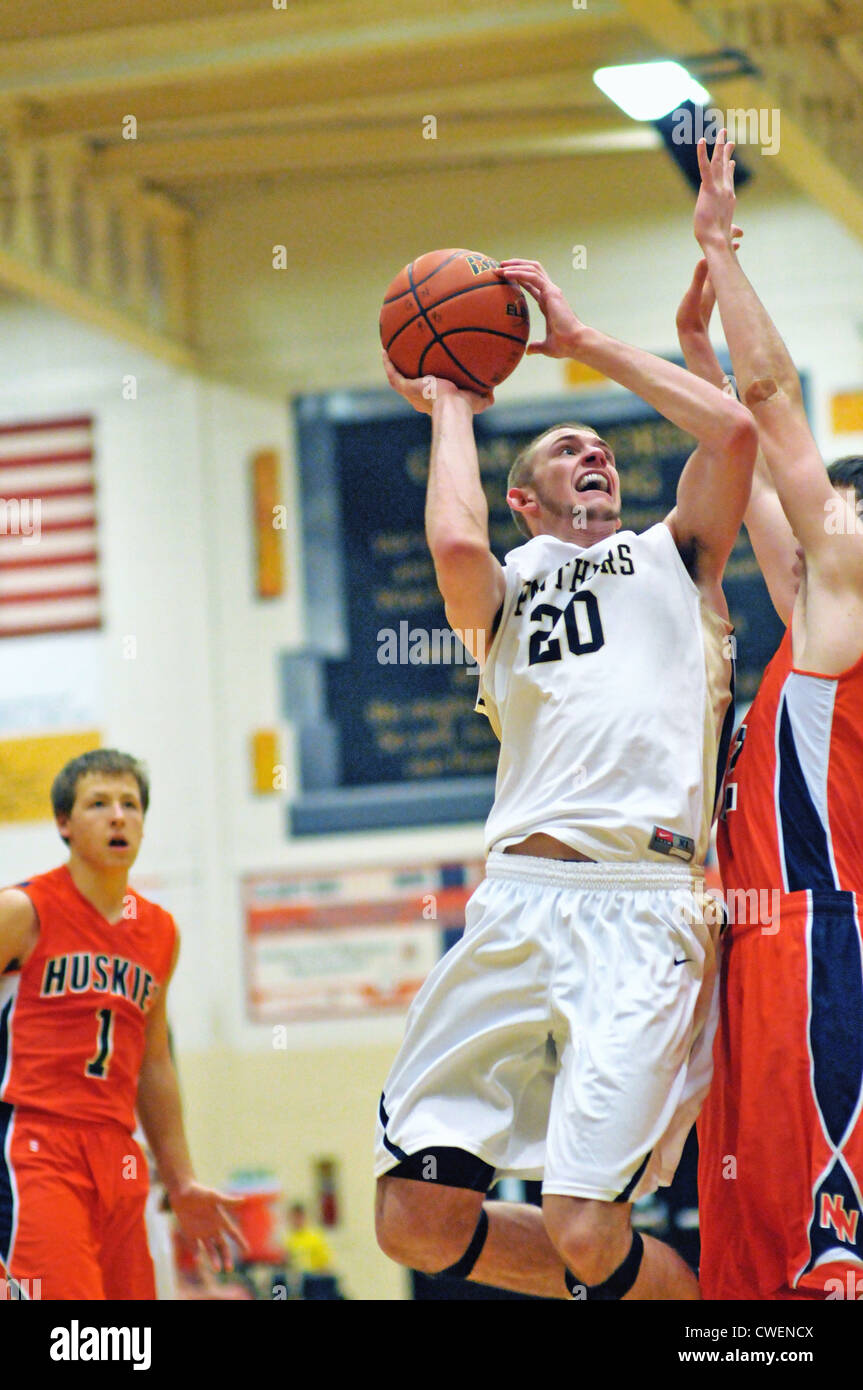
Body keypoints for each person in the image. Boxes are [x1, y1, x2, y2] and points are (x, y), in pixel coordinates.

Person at [373, 254, 758, 1300]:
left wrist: (579, 343)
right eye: (563, 446)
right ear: (525, 497)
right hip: (513, 904)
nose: (591, 450)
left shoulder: (672, 555)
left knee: (585, 1223)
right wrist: (451, 402)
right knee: (412, 1219)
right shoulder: (502, 593)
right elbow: (453, 535)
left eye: (599, 447)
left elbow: (730, 434)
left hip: (639, 904)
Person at [681, 132, 863, 1300]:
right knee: (743, 1286)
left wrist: (719, 253)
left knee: (819, 1273)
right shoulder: (810, 618)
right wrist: (692, 342)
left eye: (839, 496)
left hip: (817, 944)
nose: (816, 503)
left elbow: (774, 403)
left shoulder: (844, 597)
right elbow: (745, 460)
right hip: (753, 954)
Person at [0, 748, 243, 1300]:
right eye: (98, 804)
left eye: (131, 805)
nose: (118, 817)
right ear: (63, 823)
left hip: (120, 1156)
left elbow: (154, 1062)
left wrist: (181, 1181)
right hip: (34, 1145)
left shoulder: (158, 932)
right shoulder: (23, 911)